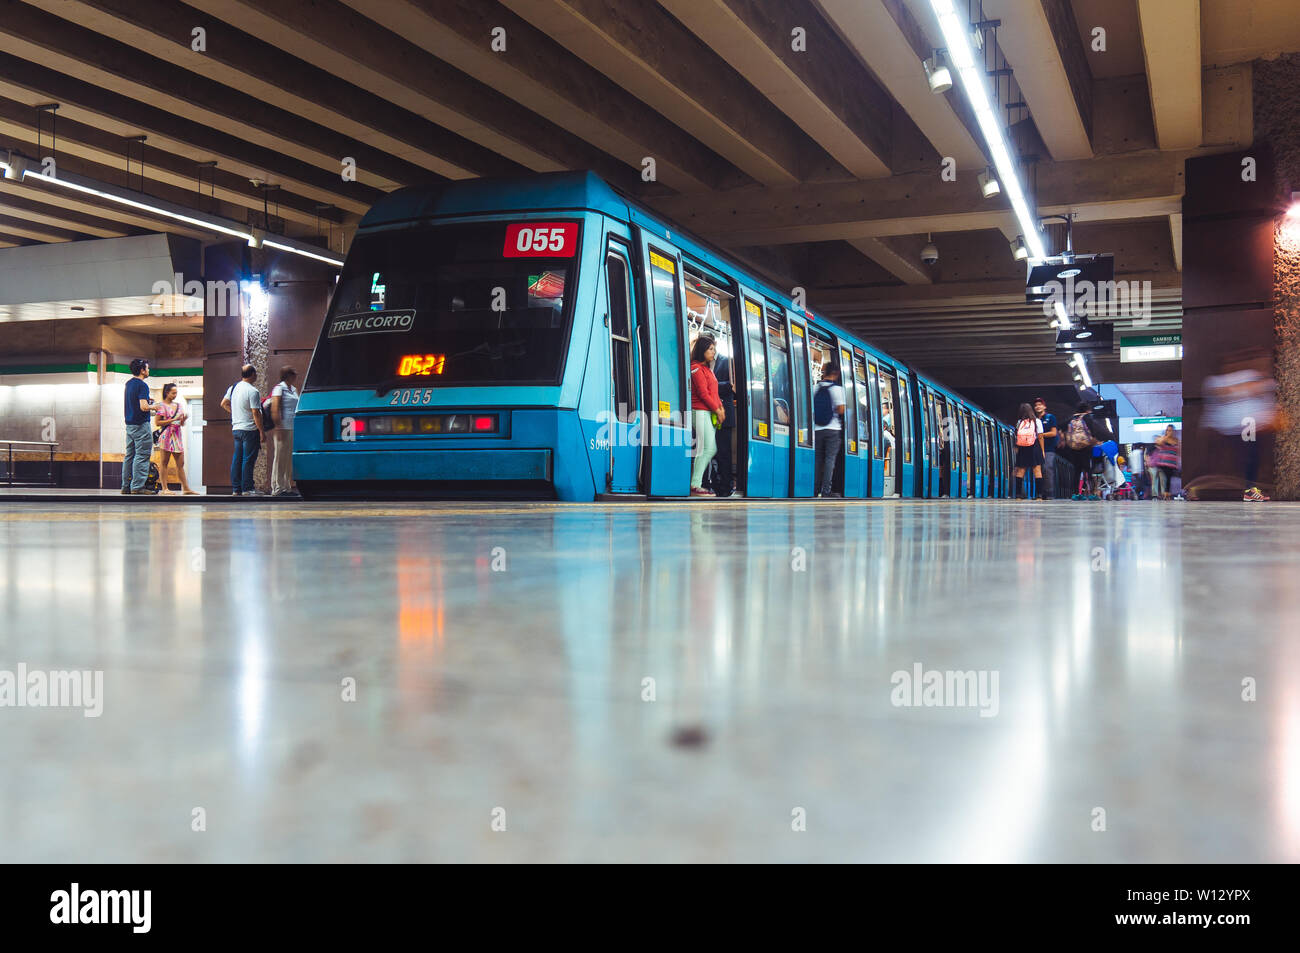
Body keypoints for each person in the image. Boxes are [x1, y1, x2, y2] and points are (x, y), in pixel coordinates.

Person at [221, 364, 265, 496]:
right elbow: (256, 413)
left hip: (237, 429)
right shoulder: (253, 391)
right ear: (252, 374)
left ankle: (236, 489)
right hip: (250, 429)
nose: (256, 376)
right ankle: (247, 489)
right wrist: (262, 431)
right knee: (248, 459)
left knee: (237, 459)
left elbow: (223, 403)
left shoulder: (233, 388)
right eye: (255, 374)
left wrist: (236, 414)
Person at [688, 335, 722, 497]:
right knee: (708, 448)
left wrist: (719, 408)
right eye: (710, 349)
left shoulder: (707, 369)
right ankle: (695, 484)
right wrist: (717, 409)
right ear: (702, 350)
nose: (713, 351)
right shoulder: (695, 368)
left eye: (714, 349)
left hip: (708, 412)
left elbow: (712, 393)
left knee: (706, 448)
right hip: (700, 411)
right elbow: (703, 393)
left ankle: (696, 484)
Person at [121, 358, 158, 494]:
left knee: (129, 455)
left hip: (130, 426)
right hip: (141, 425)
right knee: (142, 455)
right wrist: (155, 406)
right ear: (142, 370)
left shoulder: (129, 384)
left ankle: (125, 487)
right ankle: (137, 487)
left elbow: (137, 403)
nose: (148, 370)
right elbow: (143, 407)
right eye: (147, 368)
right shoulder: (142, 385)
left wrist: (148, 402)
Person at [154, 383, 197, 495]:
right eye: (173, 393)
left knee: (181, 463)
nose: (175, 395)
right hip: (166, 436)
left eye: (176, 393)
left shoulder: (179, 405)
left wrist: (183, 419)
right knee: (164, 462)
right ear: (167, 392)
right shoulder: (161, 406)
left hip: (177, 436)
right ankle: (164, 488)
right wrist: (172, 420)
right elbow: (157, 422)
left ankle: (186, 488)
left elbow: (181, 424)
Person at [813, 361, 846, 497]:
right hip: (832, 429)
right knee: (829, 460)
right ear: (836, 374)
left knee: (817, 459)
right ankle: (826, 490)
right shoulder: (837, 389)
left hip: (817, 429)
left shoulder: (814, 388)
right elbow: (841, 410)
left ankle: (814, 489)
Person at [707, 353, 737, 497]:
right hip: (708, 413)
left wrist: (709, 386)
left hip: (723, 412)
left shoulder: (727, 361)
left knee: (723, 452)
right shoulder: (702, 363)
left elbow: (732, 387)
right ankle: (713, 483)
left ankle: (726, 485)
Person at [269, 366, 299, 497]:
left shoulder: (293, 389)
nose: (295, 377)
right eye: (293, 375)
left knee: (287, 459)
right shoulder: (279, 388)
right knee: (280, 458)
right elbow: (274, 409)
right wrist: (278, 427)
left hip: (292, 426)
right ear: (288, 376)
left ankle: (286, 487)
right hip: (282, 427)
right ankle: (277, 488)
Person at [1011, 402, 1045, 499]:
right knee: (1037, 471)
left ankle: (1018, 495)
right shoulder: (1037, 421)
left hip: (1022, 448)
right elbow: (1040, 437)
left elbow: (1017, 436)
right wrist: (1042, 450)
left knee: (1021, 471)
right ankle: (1039, 495)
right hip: (1034, 447)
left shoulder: (1019, 422)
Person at [1033, 398, 1060, 499]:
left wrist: (1040, 435)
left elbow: (1053, 433)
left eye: (1040, 404)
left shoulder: (1050, 417)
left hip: (1048, 449)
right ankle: (1040, 493)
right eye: (1036, 405)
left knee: (1047, 470)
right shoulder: (1034, 420)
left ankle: (1049, 493)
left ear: (1044, 406)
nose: (1038, 406)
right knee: (1038, 471)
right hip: (1036, 449)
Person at [1149, 425, 1180, 500]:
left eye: (1171, 430)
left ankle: (1166, 494)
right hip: (1163, 463)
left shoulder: (1176, 440)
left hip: (1172, 463)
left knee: (1168, 479)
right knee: (1165, 478)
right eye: (1168, 430)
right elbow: (1158, 443)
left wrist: (1178, 461)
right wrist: (1166, 437)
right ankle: (1164, 494)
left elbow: (1178, 452)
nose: (1170, 432)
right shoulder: (1163, 439)